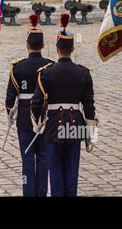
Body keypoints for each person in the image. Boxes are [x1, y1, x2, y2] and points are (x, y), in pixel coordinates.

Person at [31, 13, 97, 197]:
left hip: (53, 124)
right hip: (76, 124)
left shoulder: (46, 73)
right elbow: (89, 106)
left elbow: (36, 103)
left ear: (57, 48)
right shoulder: (83, 73)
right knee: (72, 171)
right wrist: (90, 133)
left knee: (56, 171)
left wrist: (38, 124)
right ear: (72, 49)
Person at [5, 14, 54, 196]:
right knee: (43, 158)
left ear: (27, 46)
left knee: (27, 159)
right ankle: (42, 192)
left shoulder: (18, 67)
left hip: (25, 118)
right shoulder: (50, 66)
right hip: (45, 118)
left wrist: (10, 115)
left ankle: (29, 192)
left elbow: (10, 97)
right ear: (42, 46)